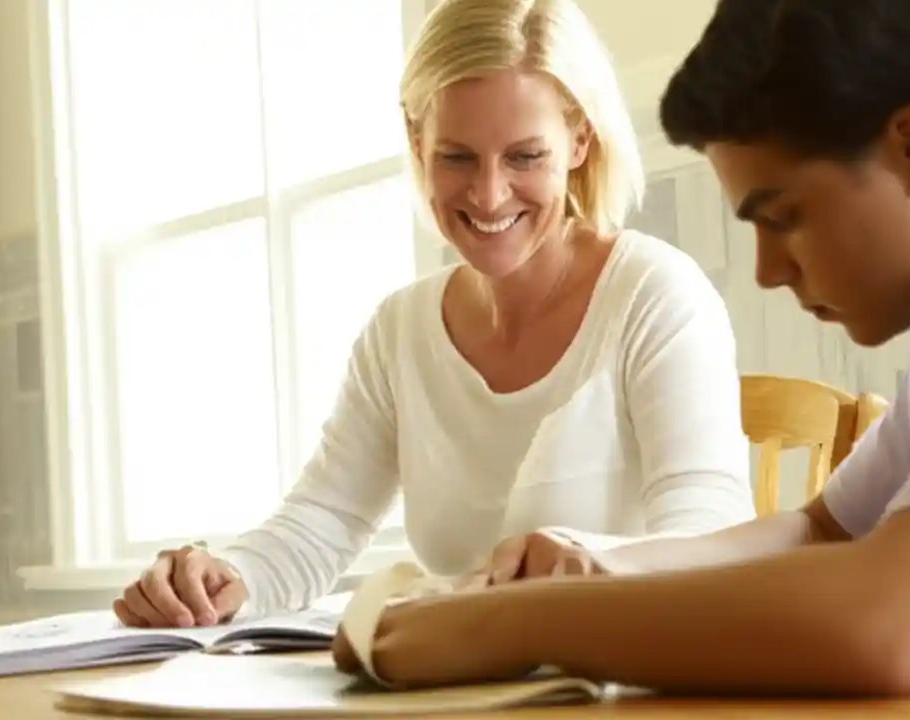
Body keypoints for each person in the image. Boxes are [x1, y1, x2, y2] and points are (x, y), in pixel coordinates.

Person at [329, 0, 910, 717]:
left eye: (782, 218)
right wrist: (602, 565)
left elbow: (895, 628)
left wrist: (509, 626)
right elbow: (822, 530)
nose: (770, 270)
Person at [111, 0, 754, 630]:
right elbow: (322, 522)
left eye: (525, 156)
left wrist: (592, 571)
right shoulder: (400, 330)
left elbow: (710, 529)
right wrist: (223, 576)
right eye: (457, 156)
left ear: (580, 138)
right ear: (417, 144)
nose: (489, 193)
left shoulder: (654, 294)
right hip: (463, 686)